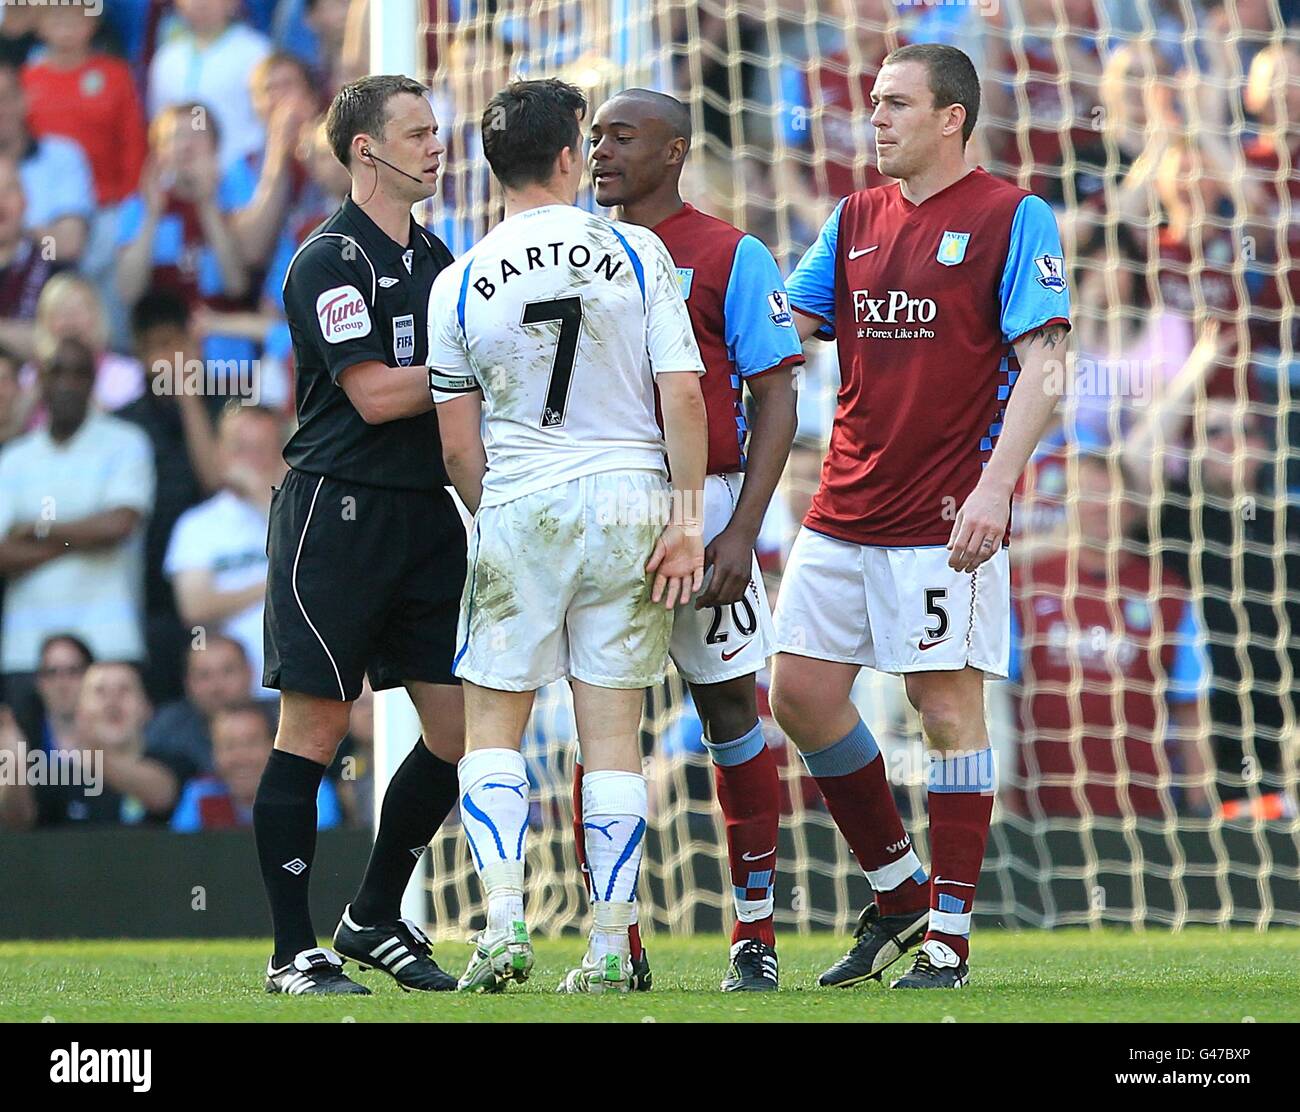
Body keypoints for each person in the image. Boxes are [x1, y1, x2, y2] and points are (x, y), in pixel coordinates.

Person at [769, 43, 1071, 989]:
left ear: (953, 117)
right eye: (872, 103)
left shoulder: (1013, 216)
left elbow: (1048, 367)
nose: (877, 119)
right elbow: (788, 329)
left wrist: (995, 488)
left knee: (945, 708)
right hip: (842, 505)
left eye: (897, 104)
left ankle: (948, 936)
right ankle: (898, 889)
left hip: (948, 515)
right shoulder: (855, 217)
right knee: (800, 695)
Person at [428, 77, 708, 995]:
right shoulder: (635, 253)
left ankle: (503, 927)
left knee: (493, 730)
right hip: (632, 500)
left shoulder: (459, 281)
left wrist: (502, 509)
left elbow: (457, 444)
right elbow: (684, 394)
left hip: (522, 502)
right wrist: (686, 519)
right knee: (612, 736)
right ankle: (606, 947)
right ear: (564, 156)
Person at [582, 88, 802, 991]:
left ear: (674, 152)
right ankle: (616, 941)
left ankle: (755, 934)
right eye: (594, 136)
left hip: (704, 504)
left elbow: (777, 396)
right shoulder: (573, 253)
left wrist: (742, 531)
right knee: (603, 730)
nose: (600, 151)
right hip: (601, 505)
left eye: (622, 137)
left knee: (730, 712)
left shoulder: (729, 254)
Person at [256, 74, 466, 996]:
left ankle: (372, 914)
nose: (436, 145)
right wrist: (479, 363)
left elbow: (451, 412)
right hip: (336, 518)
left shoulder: (437, 256)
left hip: (425, 518)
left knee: (460, 732)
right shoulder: (327, 258)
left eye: (437, 130)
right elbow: (378, 393)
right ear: (365, 150)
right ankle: (289, 951)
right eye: (417, 132)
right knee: (314, 729)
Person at [1009, 452, 1211, 820]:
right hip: (1040, 809)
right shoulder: (1024, 586)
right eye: (1090, 497)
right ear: (1068, 505)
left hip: (1142, 809)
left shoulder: (1167, 592)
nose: (1100, 509)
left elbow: (1191, 709)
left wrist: (1201, 806)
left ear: (1132, 509)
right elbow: (999, 700)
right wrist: (1004, 805)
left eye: (1110, 499)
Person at [0, 339, 155, 705]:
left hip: (109, 643)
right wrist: (81, 539)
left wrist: (38, 531)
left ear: (93, 380)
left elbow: (120, 526)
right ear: (40, 379)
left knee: (107, 761)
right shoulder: (13, 459)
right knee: (30, 763)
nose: (67, 383)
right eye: (57, 372)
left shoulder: (126, 442)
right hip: (26, 650)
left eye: (79, 373)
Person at [116, 290, 221, 703]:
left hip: (215, 588)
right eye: (159, 347)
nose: (172, 357)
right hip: (152, 596)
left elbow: (213, 481)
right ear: (140, 354)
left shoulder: (225, 407)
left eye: (178, 343)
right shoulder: (124, 423)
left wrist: (188, 399)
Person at [165, 404, 282, 696]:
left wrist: (261, 497)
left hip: (291, 686)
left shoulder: (306, 516)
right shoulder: (196, 524)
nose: (250, 461)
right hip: (227, 696)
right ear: (219, 452)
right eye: (240, 448)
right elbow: (196, 607)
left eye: (261, 449)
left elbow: (318, 569)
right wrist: (274, 582)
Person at [172, 702, 341, 832]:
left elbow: (325, 853)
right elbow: (181, 854)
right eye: (229, 746)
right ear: (214, 753)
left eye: (251, 743)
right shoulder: (200, 793)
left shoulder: (311, 791)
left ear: (275, 746)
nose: (241, 757)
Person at [147, 0, 271, 173]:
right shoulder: (166, 58)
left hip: (241, 178)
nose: (200, 3)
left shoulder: (257, 52)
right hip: (177, 183)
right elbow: (158, 125)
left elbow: (266, 126)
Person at [0, 60, 94, 264]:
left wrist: (15, 231)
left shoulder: (62, 157)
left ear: (23, 100)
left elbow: (67, 245)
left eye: (4, 98)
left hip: (42, 279)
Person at [145, 634, 256, 785]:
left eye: (228, 671)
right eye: (204, 676)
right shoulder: (167, 729)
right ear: (187, 682)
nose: (217, 686)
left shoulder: (282, 719)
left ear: (250, 672)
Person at [0, 155, 67, 365]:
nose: (0, 201)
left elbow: (57, 343)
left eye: (9, 189)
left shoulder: (50, 260)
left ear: (25, 201)